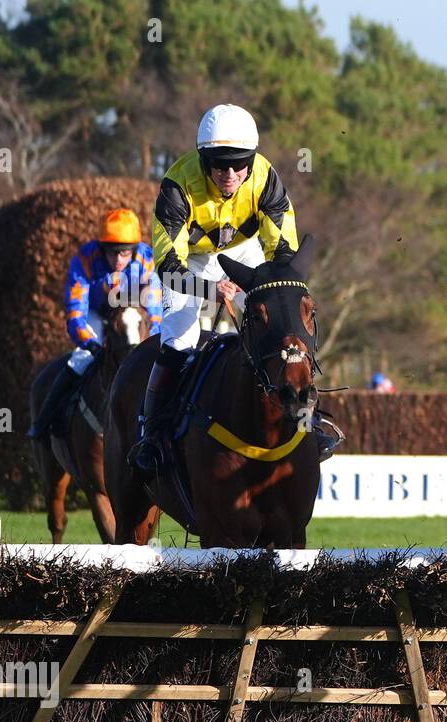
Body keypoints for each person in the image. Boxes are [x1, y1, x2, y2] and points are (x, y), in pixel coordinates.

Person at [128, 103, 301, 476]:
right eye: (219, 164)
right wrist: (210, 291)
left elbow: (282, 250)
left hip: (244, 253)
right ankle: (152, 436)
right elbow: (167, 266)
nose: (229, 173)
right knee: (179, 341)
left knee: (283, 331)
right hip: (188, 262)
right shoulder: (177, 184)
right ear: (203, 159)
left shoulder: (266, 178)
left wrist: (273, 288)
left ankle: (305, 424)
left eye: (239, 163)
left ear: (251, 159)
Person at [27, 208, 163, 439]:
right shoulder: (85, 259)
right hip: (96, 313)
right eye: (112, 253)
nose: (118, 259)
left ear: (134, 250)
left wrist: (151, 343)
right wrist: (89, 343)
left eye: (124, 253)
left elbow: (155, 312)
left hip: (131, 312)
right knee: (82, 357)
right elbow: (75, 311)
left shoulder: (147, 259)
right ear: (102, 249)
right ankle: (46, 419)